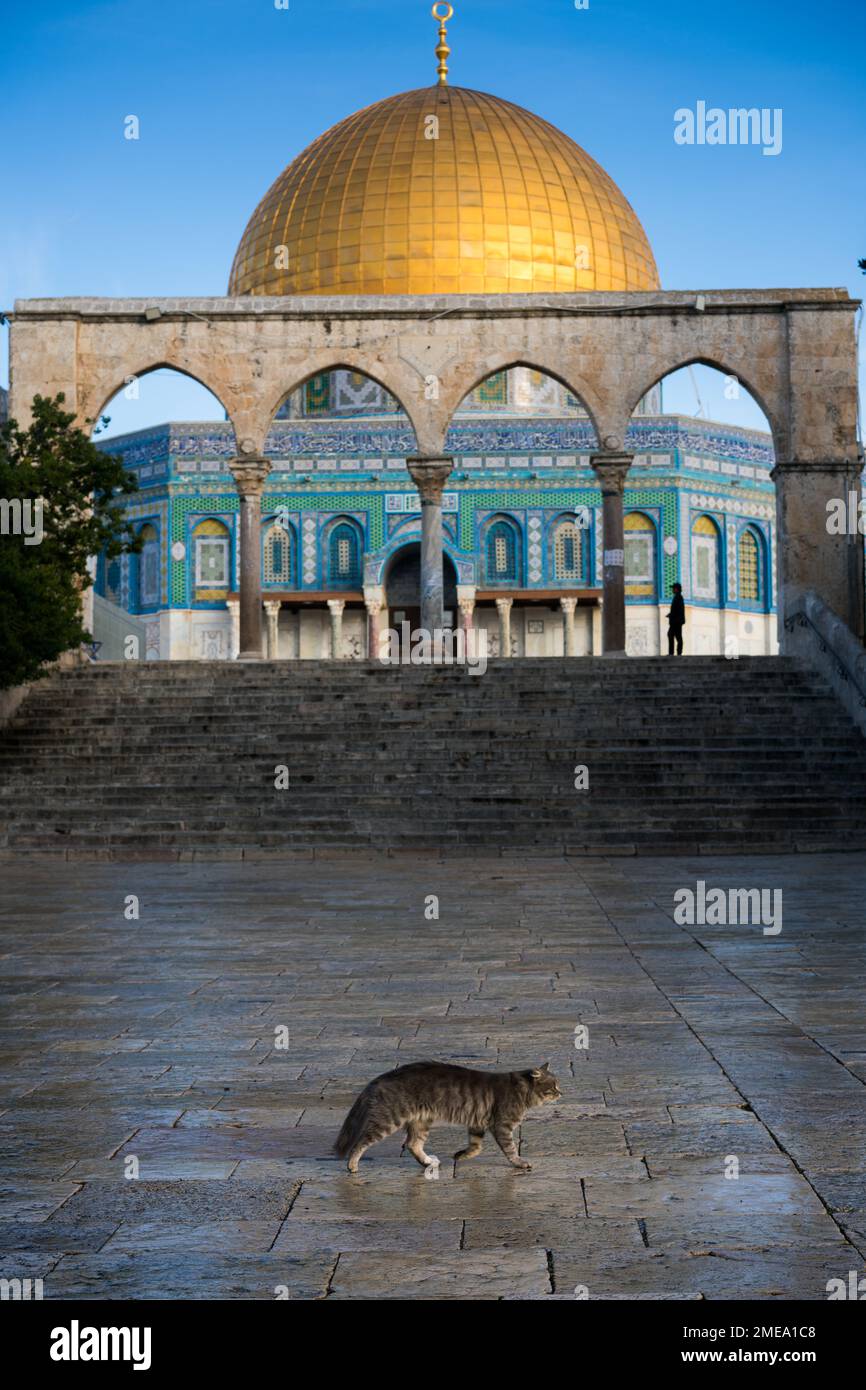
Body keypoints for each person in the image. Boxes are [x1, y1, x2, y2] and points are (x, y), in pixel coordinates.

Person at [667, 582, 685, 656]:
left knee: (676, 636)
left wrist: (672, 615)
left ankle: (677, 652)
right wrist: (670, 614)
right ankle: (674, 652)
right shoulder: (677, 597)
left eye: (673, 588)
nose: (672, 590)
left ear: (676, 589)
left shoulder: (679, 597)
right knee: (673, 635)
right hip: (676, 621)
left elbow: (678, 610)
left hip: (676, 621)